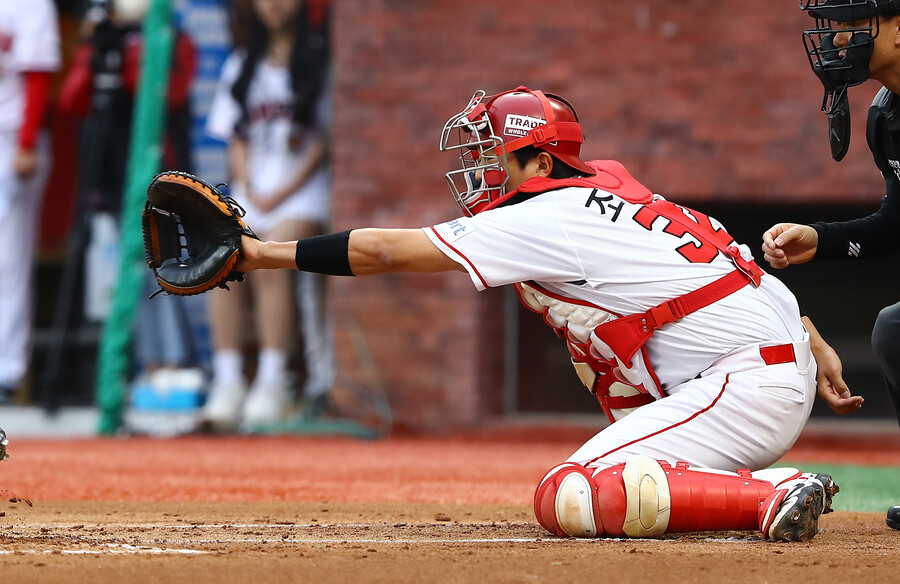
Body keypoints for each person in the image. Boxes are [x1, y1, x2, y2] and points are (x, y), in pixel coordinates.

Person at [224, 86, 858, 541]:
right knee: (608, 376)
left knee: (572, 490)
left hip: (744, 389)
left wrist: (260, 253)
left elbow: (387, 250)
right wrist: (810, 337)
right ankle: (740, 489)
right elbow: (729, 267)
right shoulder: (614, 190)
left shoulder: (548, 211)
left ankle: (771, 494)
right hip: (763, 369)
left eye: (494, 154)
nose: (480, 170)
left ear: (543, 163)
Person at [761, 0, 900, 530]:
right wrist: (822, 239)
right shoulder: (887, 117)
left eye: (853, 25)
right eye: (836, 27)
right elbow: (896, 222)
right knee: (895, 327)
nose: (839, 40)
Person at [201, 0, 332, 429]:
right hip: (252, 191)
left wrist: (280, 192)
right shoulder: (242, 64)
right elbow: (235, 137)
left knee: (271, 256)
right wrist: (249, 188)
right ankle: (228, 379)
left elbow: (324, 141)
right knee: (219, 257)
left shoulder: (319, 57)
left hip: (302, 193)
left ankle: (273, 381)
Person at [0, 0, 61, 404]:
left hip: (10, 140)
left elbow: (38, 75)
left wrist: (25, 144)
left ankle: (7, 370)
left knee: (8, 259)